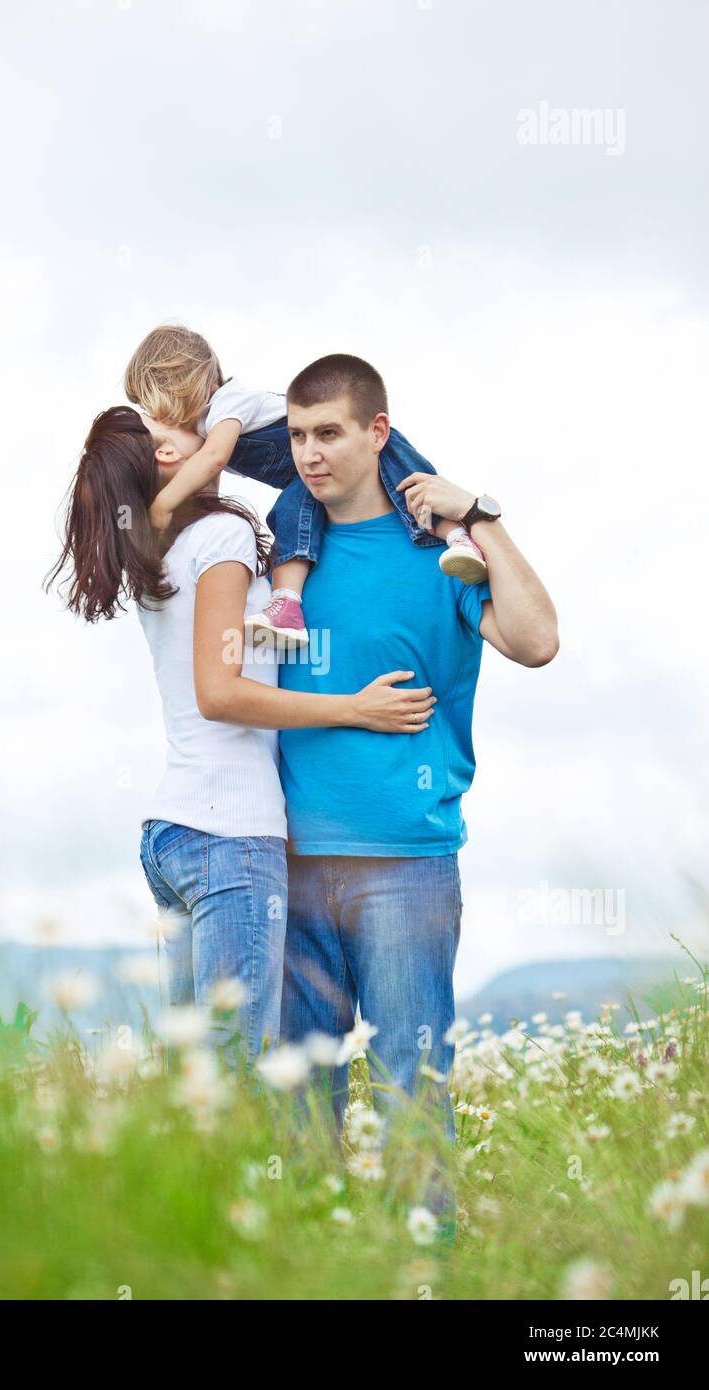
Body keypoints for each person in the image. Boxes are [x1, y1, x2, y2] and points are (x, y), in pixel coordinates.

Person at [45, 405, 437, 1066]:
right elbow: (220, 693)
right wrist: (355, 709)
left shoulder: (161, 549)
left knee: (195, 1076)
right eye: (172, 423)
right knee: (239, 1076)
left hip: (178, 833)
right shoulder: (221, 536)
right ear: (167, 454)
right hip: (228, 835)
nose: (201, 419)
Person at [273, 353, 559, 1228]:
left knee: (411, 1091)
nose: (310, 453)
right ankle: (311, 1274)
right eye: (297, 435)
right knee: (298, 1106)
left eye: (329, 432)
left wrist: (483, 517)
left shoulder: (446, 558)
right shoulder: (282, 560)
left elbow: (537, 641)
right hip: (287, 862)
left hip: (408, 865)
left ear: (378, 434)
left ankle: (423, 1272)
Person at [124, 324, 488, 648]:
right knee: (288, 521)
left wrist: (163, 505)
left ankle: (460, 538)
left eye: (155, 405)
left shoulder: (226, 403)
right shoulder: (205, 433)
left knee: (413, 492)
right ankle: (287, 605)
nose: (154, 416)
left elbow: (215, 458)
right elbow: (207, 493)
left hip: (367, 452)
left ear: (184, 383)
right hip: (307, 480)